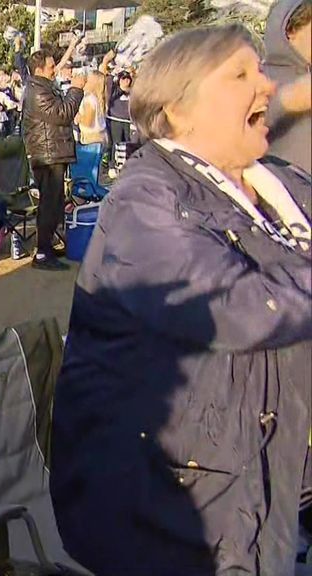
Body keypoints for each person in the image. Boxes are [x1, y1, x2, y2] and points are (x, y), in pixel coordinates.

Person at [50, 25, 312, 576]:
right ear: (179, 109)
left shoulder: (282, 183)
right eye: (240, 74)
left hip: (273, 476)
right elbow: (237, 305)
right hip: (181, 507)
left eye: (260, 70)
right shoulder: (144, 199)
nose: (265, 84)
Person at [22, 47, 85, 271]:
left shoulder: (41, 87)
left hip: (52, 152)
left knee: (55, 203)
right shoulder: (38, 91)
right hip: (47, 156)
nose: (54, 71)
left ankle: (47, 246)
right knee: (49, 205)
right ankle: (42, 253)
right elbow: (63, 114)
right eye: (50, 67)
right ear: (39, 69)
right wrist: (76, 90)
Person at [265, 0, 312, 174]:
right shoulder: (259, 77)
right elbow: (230, 128)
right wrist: (287, 100)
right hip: (291, 193)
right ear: (291, 31)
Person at [75, 70, 107, 147]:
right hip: (100, 136)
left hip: (91, 138)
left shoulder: (89, 99)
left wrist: (76, 116)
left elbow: (87, 122)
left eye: (87, 80)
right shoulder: (98, 98)